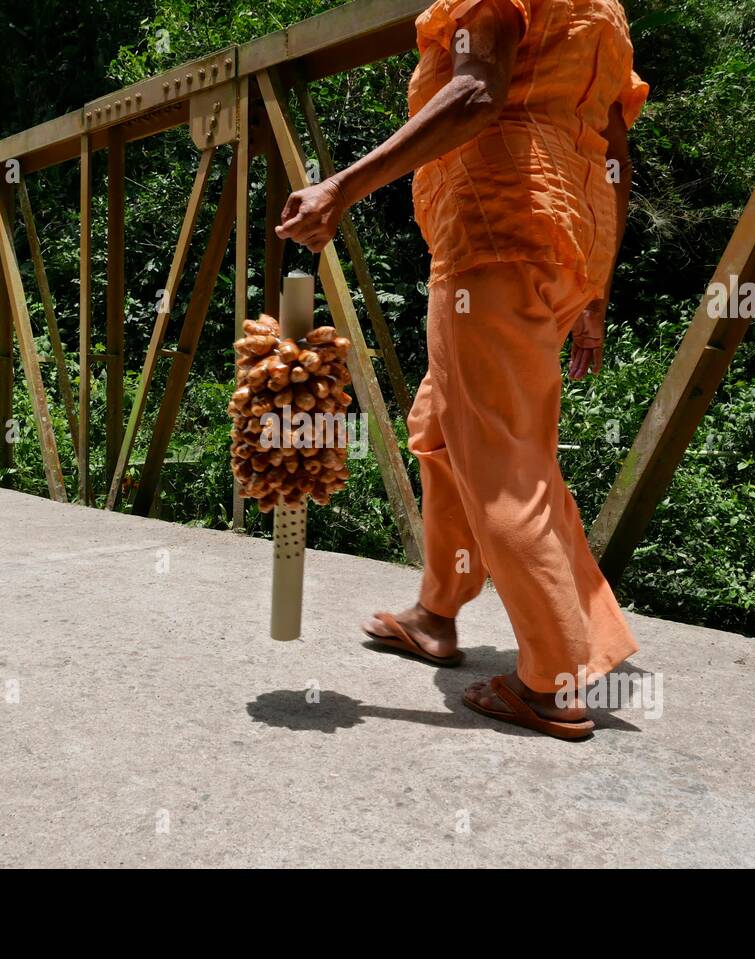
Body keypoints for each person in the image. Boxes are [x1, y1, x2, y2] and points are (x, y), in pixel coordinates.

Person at [275, 0, 649, 739]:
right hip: (559, 238)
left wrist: (339, 188)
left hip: (498, 232)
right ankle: (438, 612)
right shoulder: (602, 11)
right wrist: (595, 291)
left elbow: (477, 92)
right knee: (440, 428)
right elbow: (613, 150)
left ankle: (554, 680)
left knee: (503, 462)